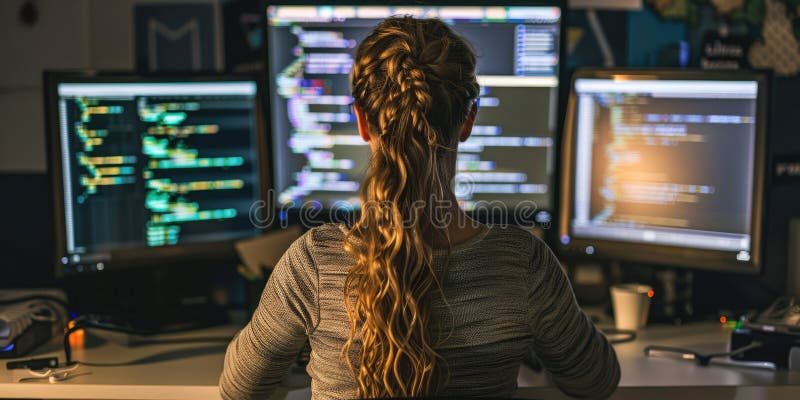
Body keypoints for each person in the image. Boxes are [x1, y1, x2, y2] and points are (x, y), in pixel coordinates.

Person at [220, 16, 619, 400]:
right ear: (468, 121)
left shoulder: (314, 263)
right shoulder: (523, 264)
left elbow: (239, 388)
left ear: (361, 120)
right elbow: (596, 381)